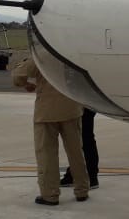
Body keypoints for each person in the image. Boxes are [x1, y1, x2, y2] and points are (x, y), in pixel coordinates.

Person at [11, 59, 90, 205]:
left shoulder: (41, 55)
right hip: (72, 108)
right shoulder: (67, 53)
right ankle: (82, 189)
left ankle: (50, 193)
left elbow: (17, 76)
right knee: (76, 152)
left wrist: (26, 84)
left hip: (47, 112)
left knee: (46, 154)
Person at [60, 108, 99, 189]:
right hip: (86, 104)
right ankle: (89, 175)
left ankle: (89, 176)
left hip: (82, 105)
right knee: (85, 137)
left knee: (84, 138)